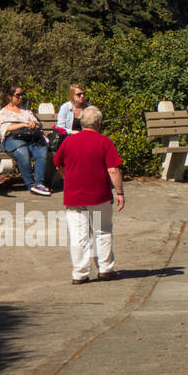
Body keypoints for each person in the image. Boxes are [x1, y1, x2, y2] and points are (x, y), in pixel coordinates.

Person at [53, 106, 125, 284]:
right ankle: (105, 268)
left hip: (74, 195)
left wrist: (66, 177)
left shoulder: (68, 142)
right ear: (99, 123)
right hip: (99, 195)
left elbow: (58, 164)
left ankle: (80, 272)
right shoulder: (104, 141)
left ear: (81, 122)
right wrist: (120, 192)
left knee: (78, 235)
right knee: (102, 231)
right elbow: (113, 170)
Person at [0, 84, 51, 195]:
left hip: (30, 138)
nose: (20, 97)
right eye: (17, 95)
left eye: (22, 94)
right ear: (10, 96)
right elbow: (6, 128)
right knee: (23, 153)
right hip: (12, 139)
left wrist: (33, 123)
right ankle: (31, 185)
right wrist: (23, 125)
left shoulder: (26, 111)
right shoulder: (3, 113)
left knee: (41, 151)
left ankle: (39, 183)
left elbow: (36, 123)